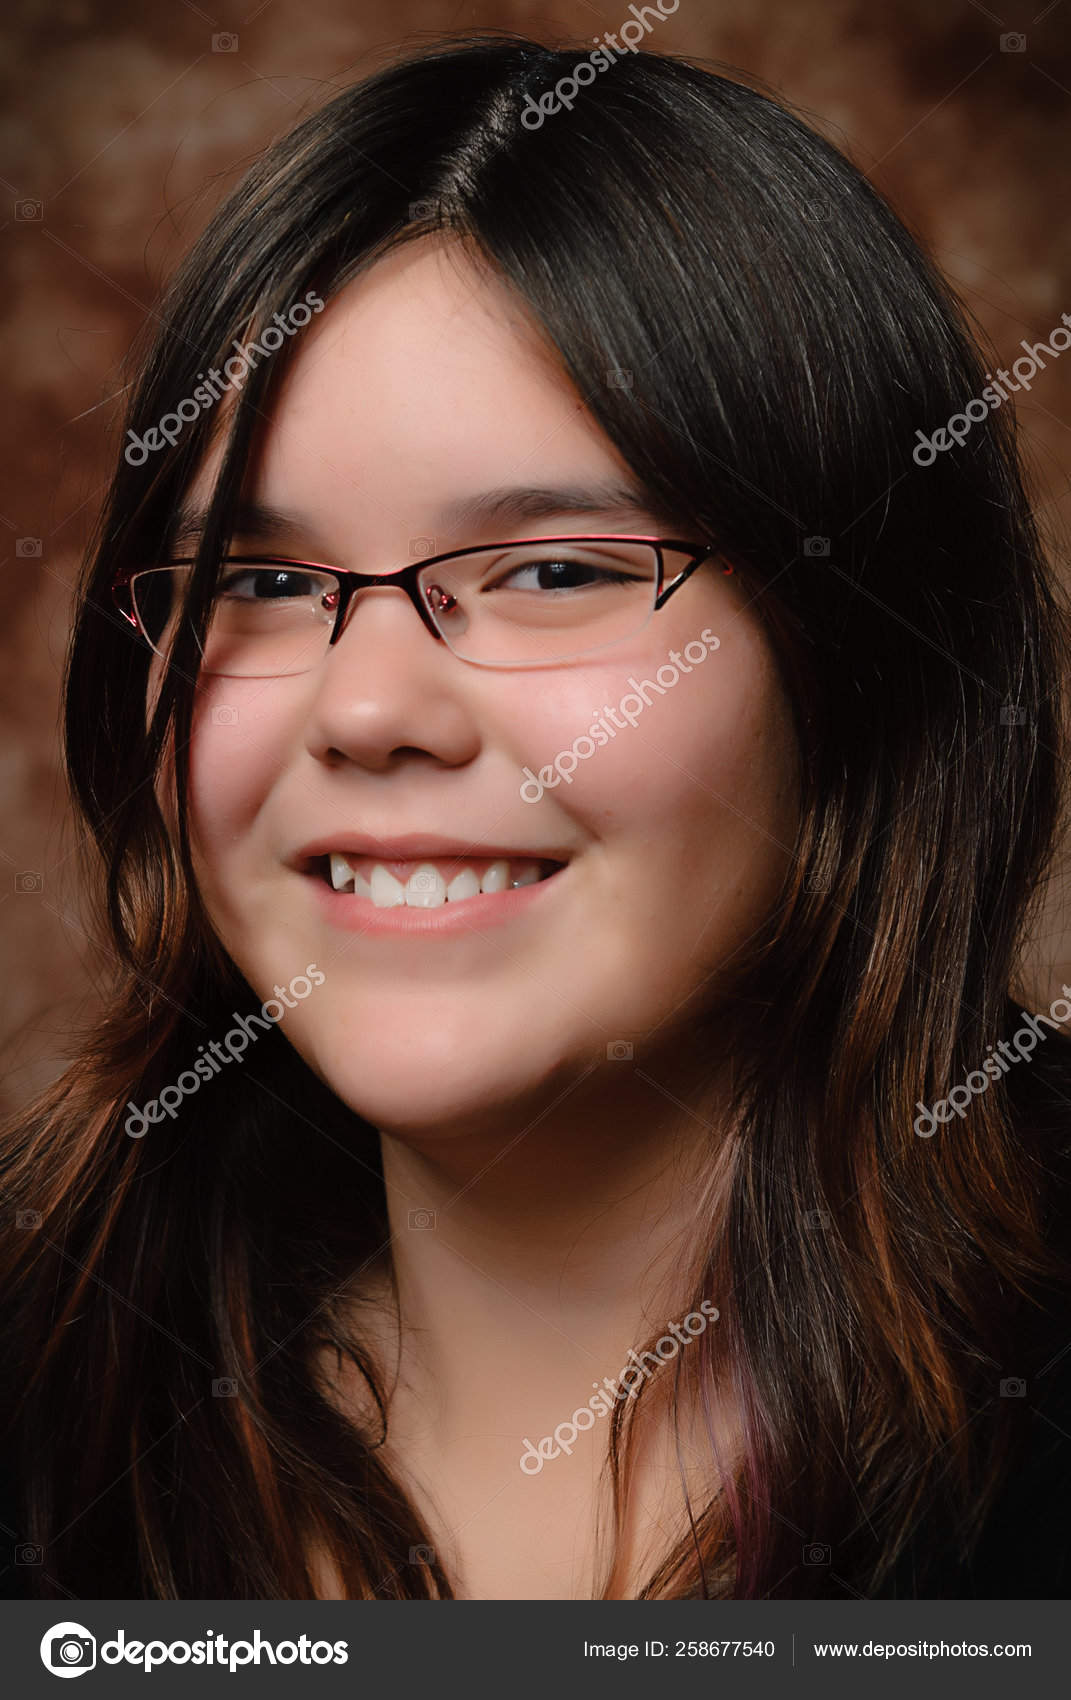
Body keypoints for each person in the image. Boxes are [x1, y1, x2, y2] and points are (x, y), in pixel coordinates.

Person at [1, 31, 1069, 1602]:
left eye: (555, 571)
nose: (370, 710)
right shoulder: (51, 1401)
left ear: (864, 659)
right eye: (266, 581)